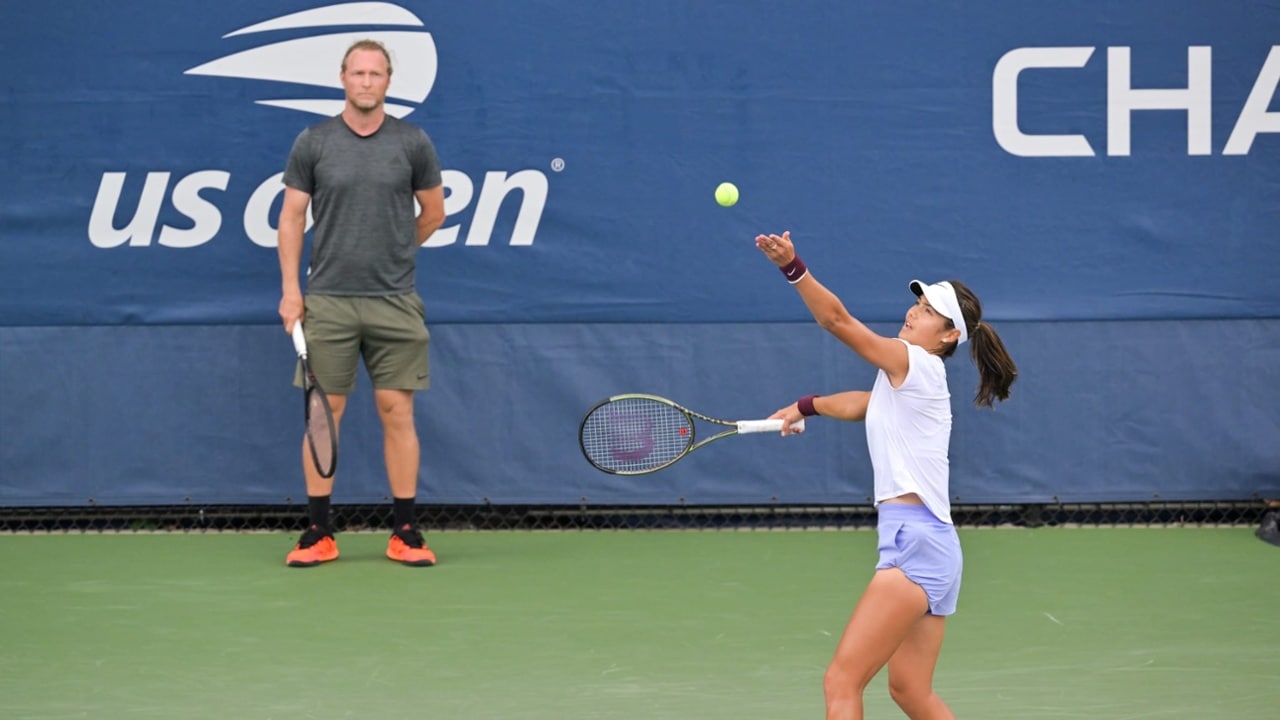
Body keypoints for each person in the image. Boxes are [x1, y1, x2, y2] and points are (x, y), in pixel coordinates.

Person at [755, 230, 1018, 720]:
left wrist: (793, 267)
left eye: (929, 311)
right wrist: (806, 406)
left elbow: (836, 320)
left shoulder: (915, 361)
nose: (914, 312)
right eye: (917, 303)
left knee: (842, 681)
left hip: (914, 546)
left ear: (949, 335)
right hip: (938, 549)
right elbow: (864, 405)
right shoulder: (915, 377)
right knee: (910, 691)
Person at [276, 39, 446, 568]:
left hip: (395, 302)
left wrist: (394, 251)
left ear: (388, 81)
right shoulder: (314, 142)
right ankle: (318, 533)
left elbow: (434, 212)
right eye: (358, 73)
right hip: (327, 302)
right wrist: (291, 291)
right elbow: (291, 218)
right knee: (324, 415)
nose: (366, 82)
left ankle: (406, 533)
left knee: (398, 411)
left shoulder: (413, 142)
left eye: (375, 74)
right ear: (343, 78)